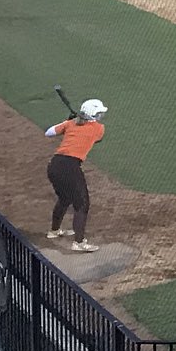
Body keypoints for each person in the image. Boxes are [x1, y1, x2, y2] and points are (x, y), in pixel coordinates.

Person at [43, 99, 108, 253]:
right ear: (93, 115)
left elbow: (49, 132)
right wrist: (75, 122)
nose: (101, 116)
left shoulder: (70, 124)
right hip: (70, 167)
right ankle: (79, 242)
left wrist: (68, 122)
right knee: (82, 204)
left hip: (54, 165)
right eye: (99, 113)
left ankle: (54, 231)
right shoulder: (99, 128)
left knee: (65, 198)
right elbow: (97, 139)